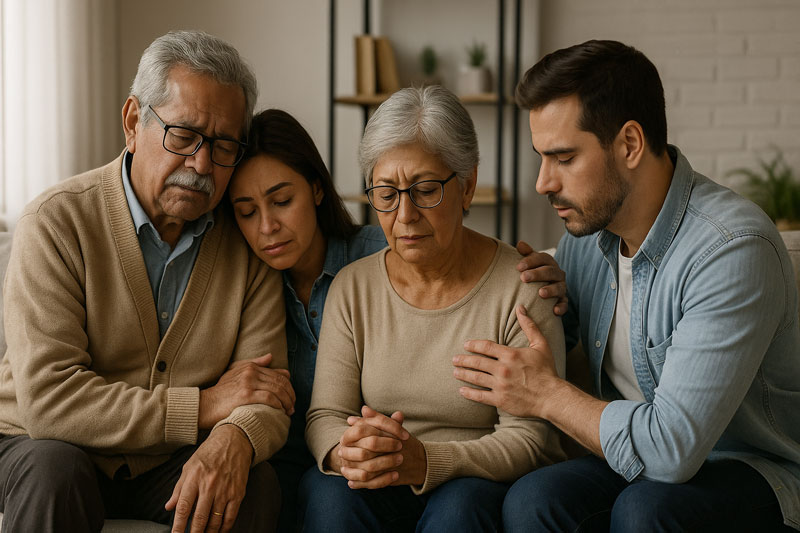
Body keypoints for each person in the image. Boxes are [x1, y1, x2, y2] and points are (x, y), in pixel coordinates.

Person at [453, 39, 800, 531]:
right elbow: (556, 349)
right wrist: (549, 304)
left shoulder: (731, 250)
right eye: (541, 158)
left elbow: (672, 451)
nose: (542, 183)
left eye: (564, 158)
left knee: (647, 511)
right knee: (534, 499)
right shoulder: (588, 236)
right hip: (628, 459)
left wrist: (546, 394)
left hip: (745, 468)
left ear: (630, 144)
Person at [0, 31, 291, 533]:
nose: (201, 165)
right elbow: (51, 403)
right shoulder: (55, 222)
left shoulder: (247, 241)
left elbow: (266, 396)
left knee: (254, 485)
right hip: (38, 443)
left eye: (224, 147)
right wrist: (203, 406)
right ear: (134, 123)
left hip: (165, 461)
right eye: (183, 136)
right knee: (56, 472)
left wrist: (235, 438)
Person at [226, 107, 569, 530]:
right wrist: (344, 451)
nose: (405, 216)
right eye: (386, 194)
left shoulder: (521, 285)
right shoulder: (352, 285)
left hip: (471, 480)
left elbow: (532, 439)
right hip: (373, 479)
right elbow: (326, 415)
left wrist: (427, 462)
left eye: (425, 190)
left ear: (468, 185)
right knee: (327, 495)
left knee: (460, 506)